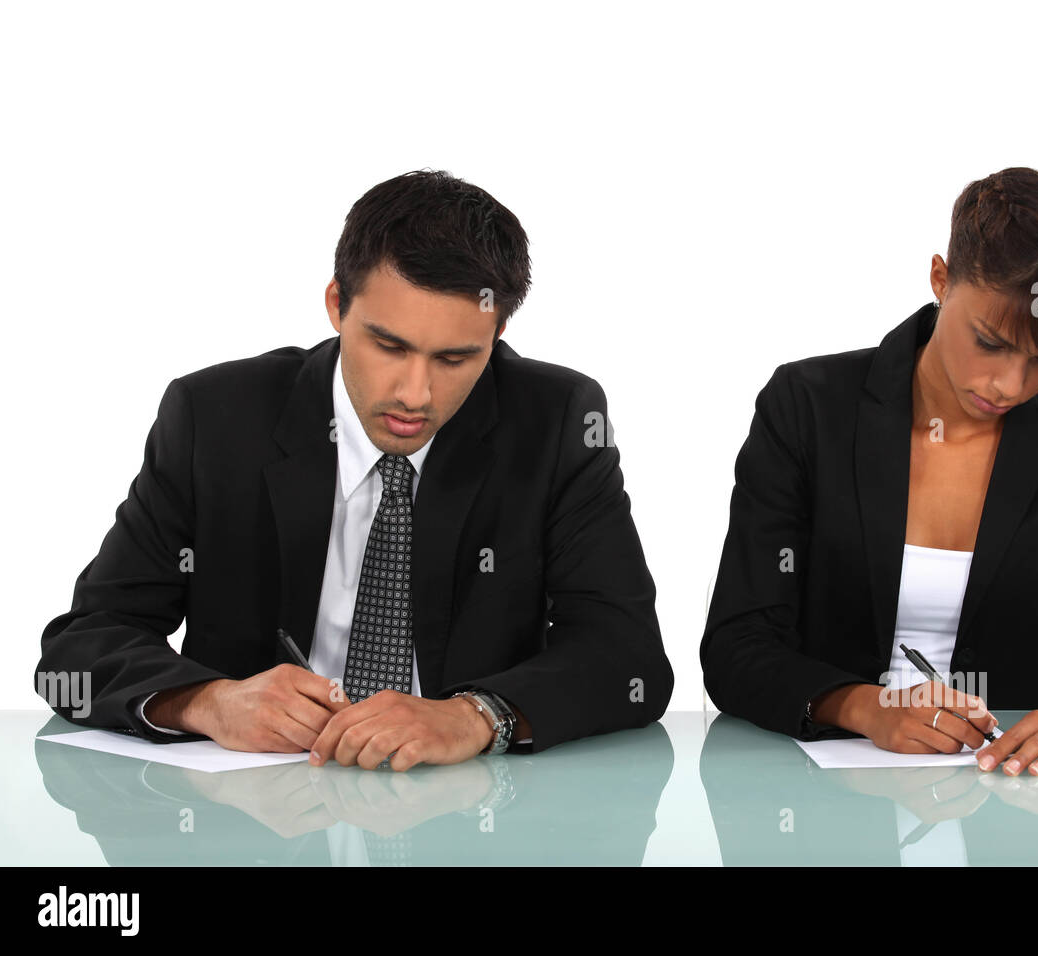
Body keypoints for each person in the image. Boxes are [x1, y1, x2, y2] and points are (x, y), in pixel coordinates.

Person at [37, 169, 673, 768]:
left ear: (499, 329)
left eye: (455, 358)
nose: (415, 394)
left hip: (470, 818)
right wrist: (206, 703)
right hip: (258, 819)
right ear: (337, 304)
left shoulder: (556, 420)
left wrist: (476, 716)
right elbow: (82, 645)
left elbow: (628, 657)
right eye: (389, 346)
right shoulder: (216, 417)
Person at [701, 166, 1038, 777]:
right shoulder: (808, 406)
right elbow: (737, 647)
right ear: (940, 279)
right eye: (991, 342)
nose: (1009, 386)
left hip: (1025, 803)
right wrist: (865, 708)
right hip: (824, 801)